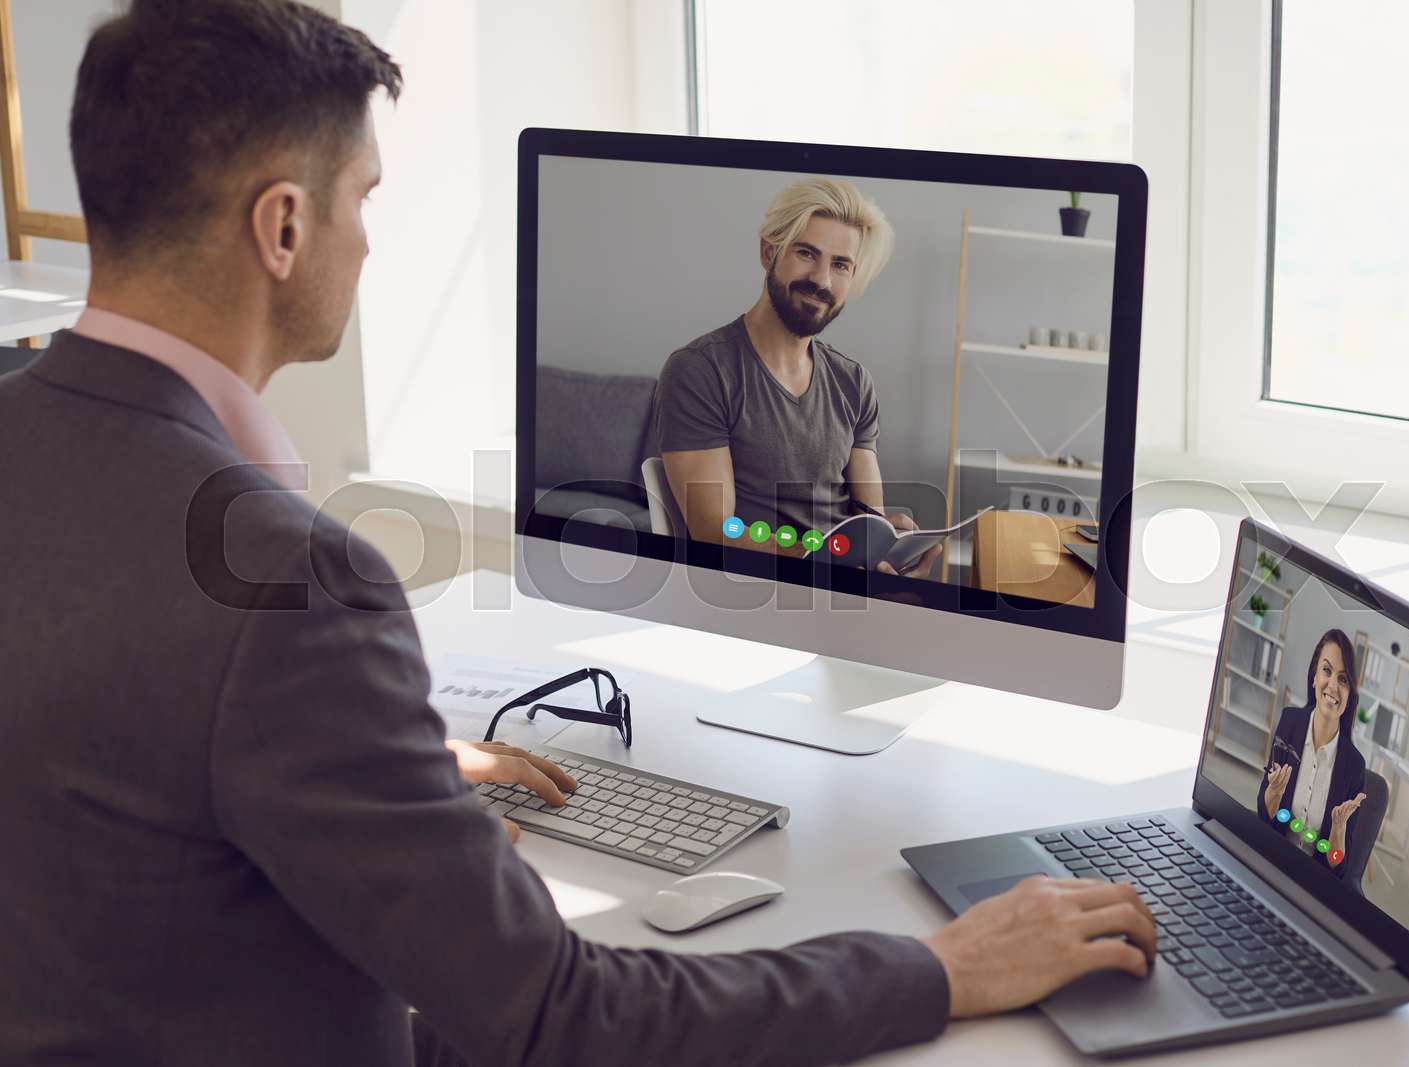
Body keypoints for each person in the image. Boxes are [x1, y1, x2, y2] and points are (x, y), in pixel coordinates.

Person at [0, 3, 1156, 1065]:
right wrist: (939, 967)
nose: (370, 243)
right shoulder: (296, 584)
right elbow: (562, 1016)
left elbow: (90, 719)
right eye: (365, 197)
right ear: (285, 224)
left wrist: (369, 762)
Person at [654, 177, 940, 576]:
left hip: (842, 589)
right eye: (807, 253)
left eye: (840, 265)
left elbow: (866, 518)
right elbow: (717, 531)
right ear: (769, 252)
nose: (822, 280)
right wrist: (820, 557)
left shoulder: (854, 383)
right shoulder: (700, 371)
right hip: (755, 592)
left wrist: (888, 547)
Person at [1256, 628, 1369, 879]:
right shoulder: (1289, 723)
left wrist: (1338, 830)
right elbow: (1263, 816)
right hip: (1272, 863)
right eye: (1327, 671)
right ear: (1314, 678)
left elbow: (1338, 866)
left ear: (1350, 694)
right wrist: (1273, 793)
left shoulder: (1354, 767)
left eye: (1343, 679)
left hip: (1314, 884)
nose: (1333, 685)